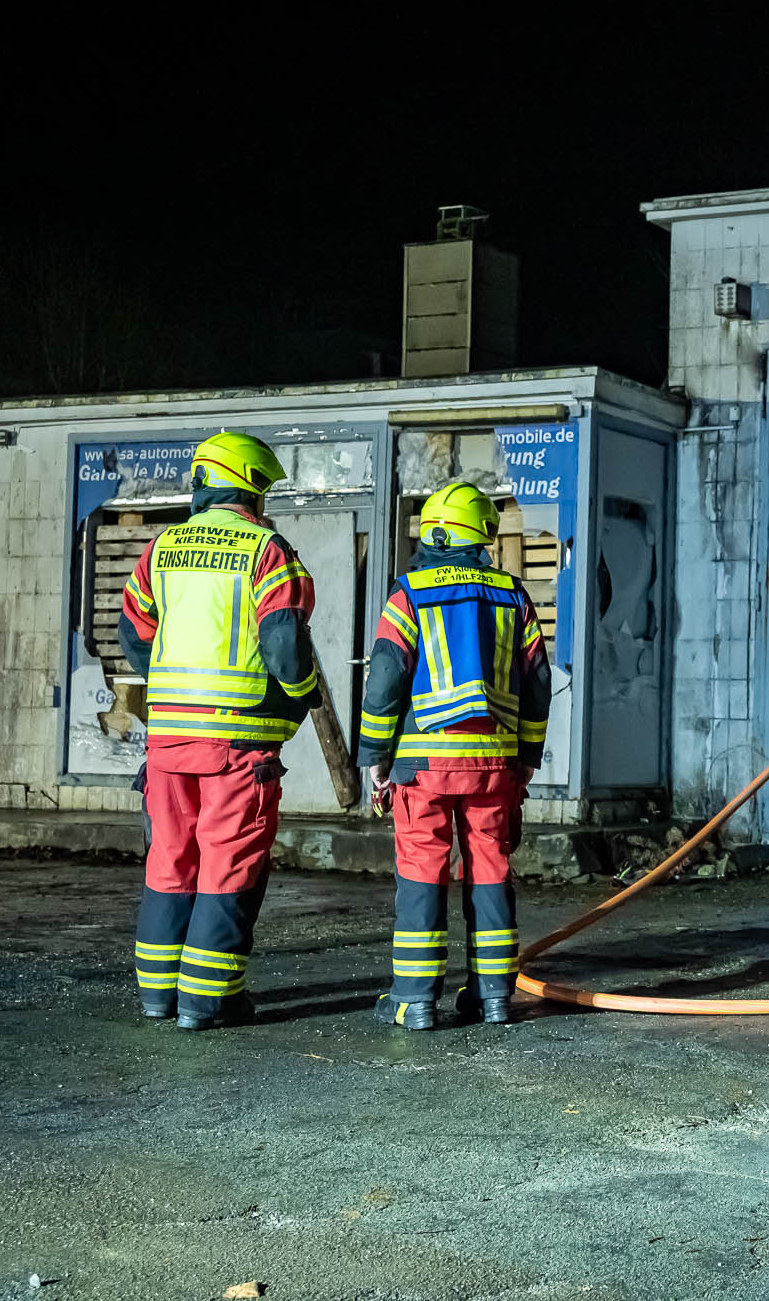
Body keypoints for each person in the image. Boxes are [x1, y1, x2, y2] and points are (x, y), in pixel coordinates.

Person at [119, 431, 319, 1031]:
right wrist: (303, 695)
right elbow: (284, 645)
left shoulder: (162, 548)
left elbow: (134, 635)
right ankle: (207, 1000)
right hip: (238, 744)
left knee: (169, 861)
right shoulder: (267, 551)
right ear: (253, 488)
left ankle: (158, 996)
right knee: (228, 863)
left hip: (168, 740)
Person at [357, 482, 551, 1030]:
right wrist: (528, 754)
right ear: (482, 536)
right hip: (494, 765)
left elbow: (386, 681)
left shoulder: (408, 593)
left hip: (421, 767)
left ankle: (415, 1002)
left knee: (422, 874)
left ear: (436, 531)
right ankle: (494, 998)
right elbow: (537, 681)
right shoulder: (513, 594)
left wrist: (375, 757)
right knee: (490, 870)